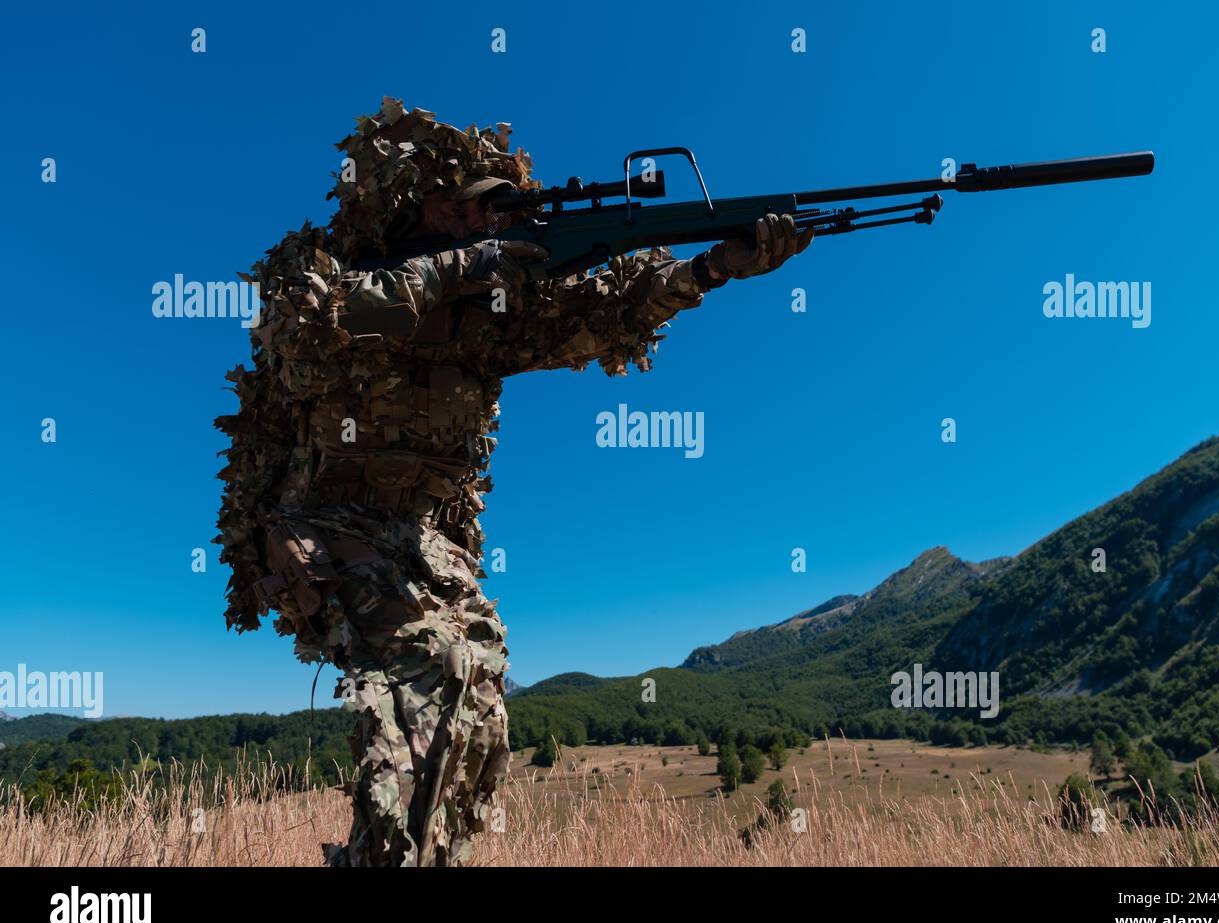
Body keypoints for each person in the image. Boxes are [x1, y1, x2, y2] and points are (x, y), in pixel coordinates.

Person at [214, 97, 811, 866]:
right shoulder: (328, 270)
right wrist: (458, 266)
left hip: (424, 546)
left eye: (497, 213)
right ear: (417, 203)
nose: (486, 225)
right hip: (321, 527)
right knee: (434, 670)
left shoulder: (491, 314)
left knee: (481, 699)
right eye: (473, 209)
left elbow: (603, 312)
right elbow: (302, 322)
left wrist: (711, 268)